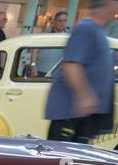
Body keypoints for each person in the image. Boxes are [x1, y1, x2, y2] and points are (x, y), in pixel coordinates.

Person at [46, 0, 118, 141]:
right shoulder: (86, 28)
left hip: (85, 115)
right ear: (107, 4)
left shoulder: (98, 31)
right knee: (65, 158)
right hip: (72, 114)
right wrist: (84, 96)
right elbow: (72, 65)